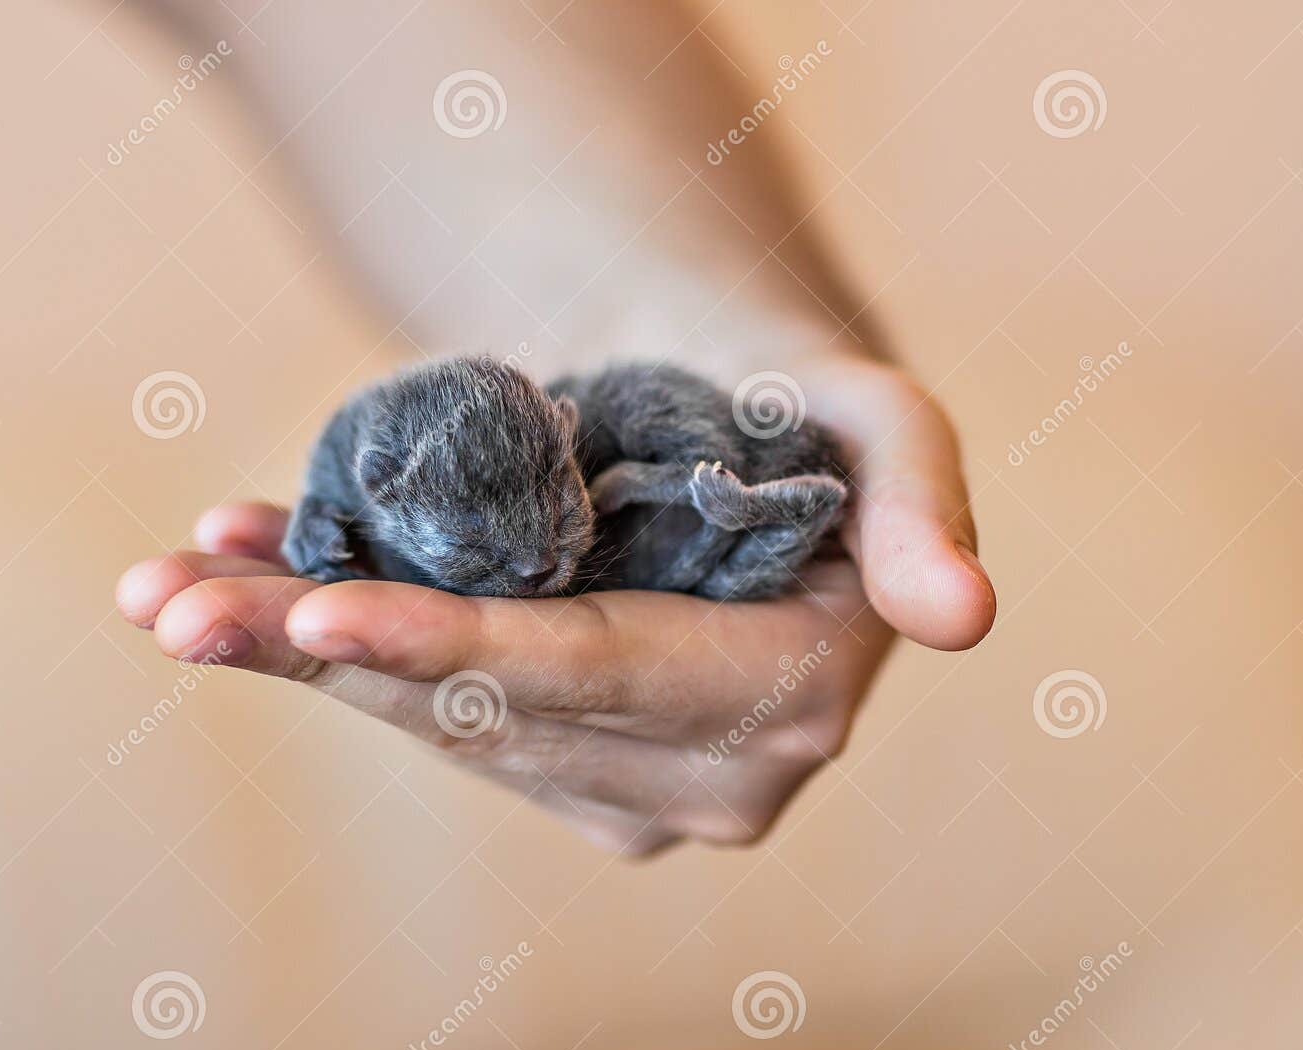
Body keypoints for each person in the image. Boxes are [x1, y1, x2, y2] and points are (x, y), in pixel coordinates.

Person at [115, 0, 996, 855]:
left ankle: (763, 508)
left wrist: (669, 304)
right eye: (474, 532)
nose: (541, 561)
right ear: (382, 492)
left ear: (561, 425)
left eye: (558, 495)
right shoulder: (356, 464)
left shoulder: (591, 428)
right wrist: (318, 527)